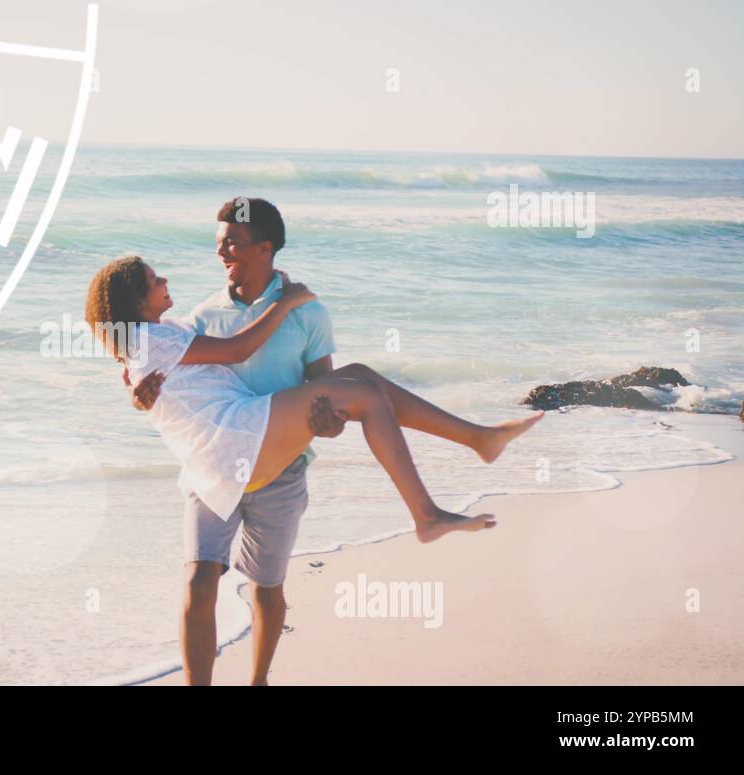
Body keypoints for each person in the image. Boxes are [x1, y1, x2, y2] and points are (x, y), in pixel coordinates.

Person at [88, 198, 542, 685]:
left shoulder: (309, 316)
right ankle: (434, 503)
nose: (220, 252)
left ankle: (476, 441)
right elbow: (170, 369)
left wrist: (328, 424)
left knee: (361, 383)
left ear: (264, 248)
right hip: (226, 448)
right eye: (218, 243)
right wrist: (138, 395)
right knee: (201, 580)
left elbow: (324, 396)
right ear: (139, 303)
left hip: (270, 452)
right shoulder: (202, 317)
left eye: (232, 243)